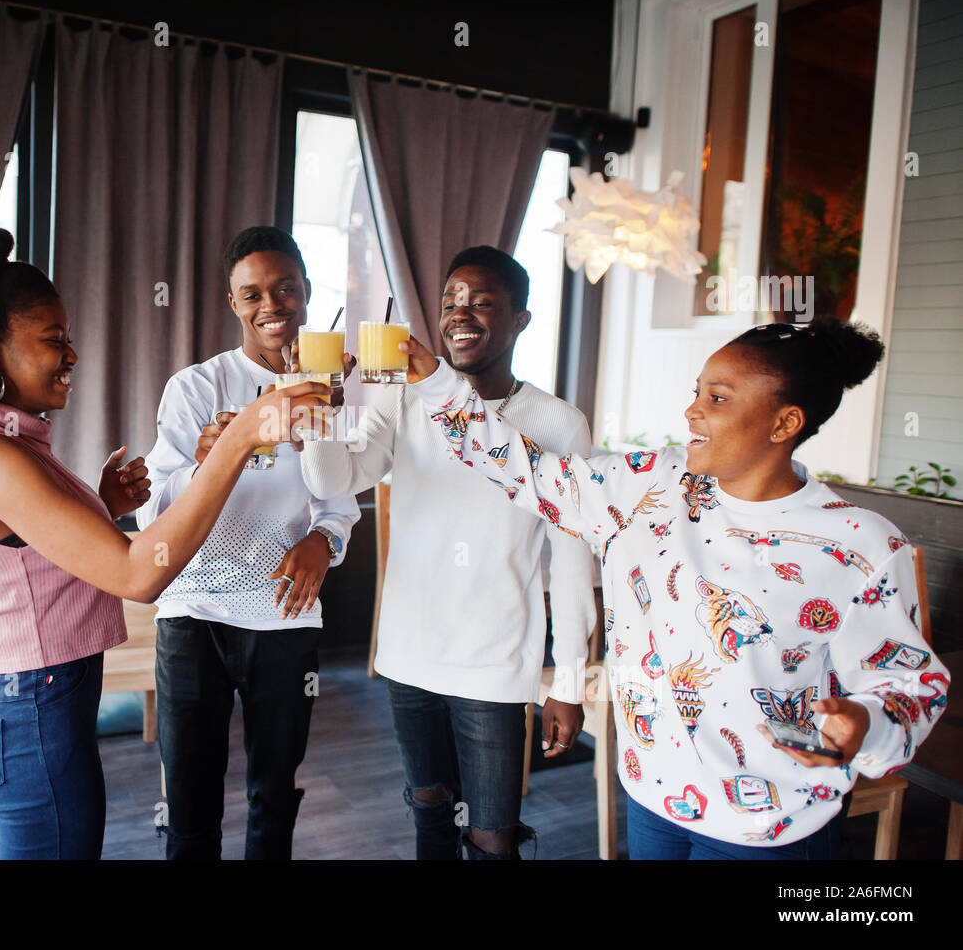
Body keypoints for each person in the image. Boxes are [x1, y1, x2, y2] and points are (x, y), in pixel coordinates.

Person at [401, 317, 949, 859]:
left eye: (718, 399)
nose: (693, 411)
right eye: (697, 393)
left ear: (784, 424)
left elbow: (909, 683)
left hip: (771, 826)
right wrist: (436, 380)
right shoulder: (648, 487)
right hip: (654, 797)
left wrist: (866, 723)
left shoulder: (860, 545)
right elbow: (527, 469)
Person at [0, 225, 327, 860]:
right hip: (30, 713)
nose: (71, 356)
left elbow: (47, 542)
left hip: (49, 705)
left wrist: (103, 504)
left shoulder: (13, 444)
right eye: (53, 341)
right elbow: (136, 576)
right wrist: (238, 441)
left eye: (68, 339)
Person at [299, 246, 596, 860]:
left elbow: (572, 564)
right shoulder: (402, 399)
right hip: (409, 650)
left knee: (492, 836)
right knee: (429, 813)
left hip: (493, 661)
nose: (460, 314)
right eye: (450, 302)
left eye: (482, 302)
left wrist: (568, 680)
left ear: (521, 321)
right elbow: (335, 481)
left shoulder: (558, 424)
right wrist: (322, 418)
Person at [136, 226, 360, 860]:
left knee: (275, 791)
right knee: (189, 796)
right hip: (194, 613)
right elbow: (155, 505)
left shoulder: (328, 390)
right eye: (253, 293)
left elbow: (338, 502)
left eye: (285, 289)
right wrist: (209, 459)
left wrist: (323, 540)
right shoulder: (195, 388)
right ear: (233, 303)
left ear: (307, 294)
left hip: (284, 611)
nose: (272, 306)